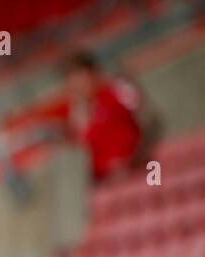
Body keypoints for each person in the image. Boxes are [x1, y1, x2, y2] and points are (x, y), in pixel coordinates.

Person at [62, 51, 149, 181]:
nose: (77, 84)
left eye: (79, 76)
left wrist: (134, 159)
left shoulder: (116, 90)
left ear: (93, 72)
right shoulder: (78, 111)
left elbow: (148, 121)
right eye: (71, 79)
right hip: (107, 182)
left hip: (137, 170)